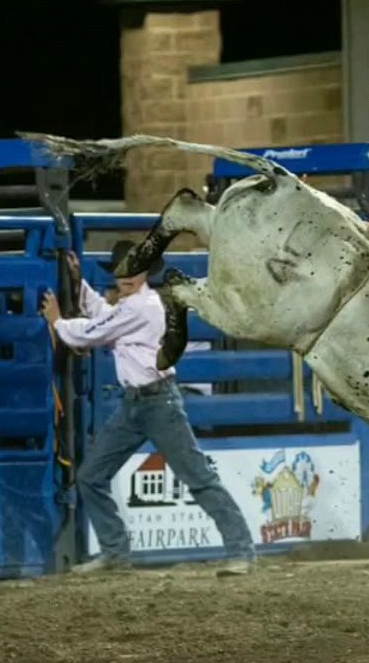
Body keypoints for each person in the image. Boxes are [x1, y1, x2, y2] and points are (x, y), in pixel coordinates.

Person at [41, 242, 256, 575]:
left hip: (157, 405)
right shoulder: (134, 306)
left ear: (143, 274)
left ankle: (241, 551)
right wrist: (79, 284)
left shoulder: (141, 308)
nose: (125, 276)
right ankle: (115, 554)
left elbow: (91, 333)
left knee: (197, 477)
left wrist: (57, 322)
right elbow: (105, 318)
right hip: (137, 404)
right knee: (91, 476)